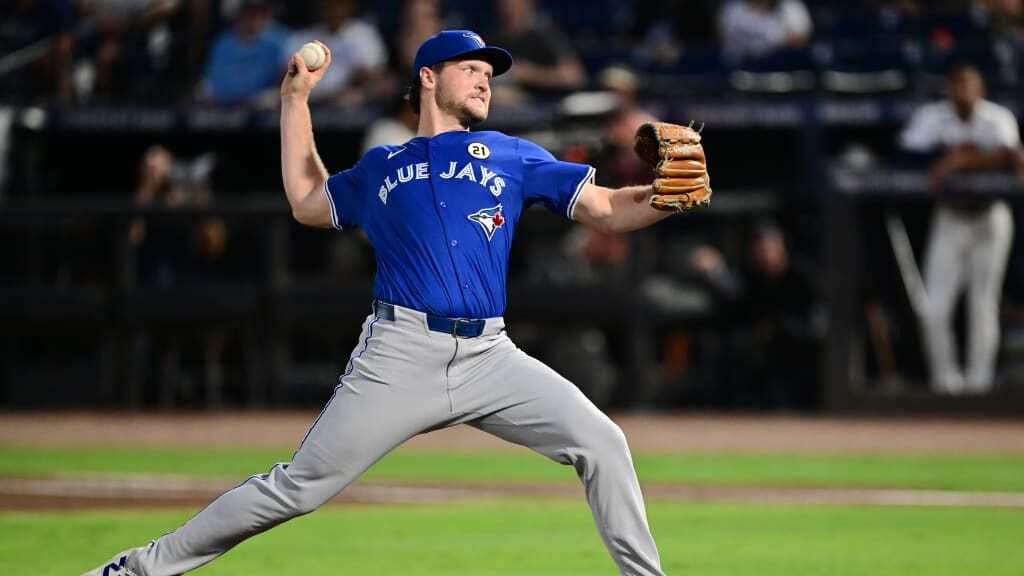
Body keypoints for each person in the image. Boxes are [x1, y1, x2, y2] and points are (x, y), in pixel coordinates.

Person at [84, 29, 685, 576]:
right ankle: (136, 570)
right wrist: (295, 101)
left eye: (489, 73)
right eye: (470, 67)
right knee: (299, 487)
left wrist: (662, 197)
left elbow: (606, 207)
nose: (484, 79)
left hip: (491, 355)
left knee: (603, 443)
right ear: (428, 76)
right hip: (400, 353)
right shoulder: (384, 165)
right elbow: (308, 201)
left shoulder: (511, 153)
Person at [899, 63, 1024, 395]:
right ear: (950, 90)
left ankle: (978, 387)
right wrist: (956, 156)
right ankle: (946, 387)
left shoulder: (996, 117)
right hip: (950, 218)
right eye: (958, 86)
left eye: (970, 86)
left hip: (990, 218)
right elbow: (905, 154)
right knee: (933, 307)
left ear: (980, 90)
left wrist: (959, 160)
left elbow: (1012, 157)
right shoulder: (933, 117)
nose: (964, 92)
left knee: (982, 305)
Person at [287, 0, 387, 105]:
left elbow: (375, 75)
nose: (332, 10)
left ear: (349, 6)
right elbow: (287, 74)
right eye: (327, 5)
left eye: (338, 4)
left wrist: (354, 83)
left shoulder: (364, 34)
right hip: (309, 100)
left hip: (348, 102)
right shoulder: (303, 37)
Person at [198, 0, 288, 105]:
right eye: (249, 11)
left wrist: (271, 96)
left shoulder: (281, 41)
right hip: (222, 108)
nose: (254, 16)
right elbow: (210, 83)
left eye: (261, 11)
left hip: (263, 112)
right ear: (238, 13)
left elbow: (284, 82)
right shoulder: (222, 44)